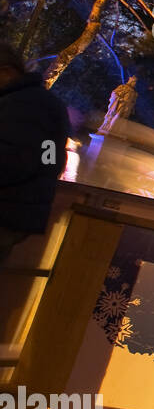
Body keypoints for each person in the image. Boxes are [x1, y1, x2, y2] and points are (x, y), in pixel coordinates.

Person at [0, 43, 69, 263]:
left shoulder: (23, 104)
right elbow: (49, 161)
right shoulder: (39, 103)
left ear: (6, 72)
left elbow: (14, 161)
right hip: (16, 212)